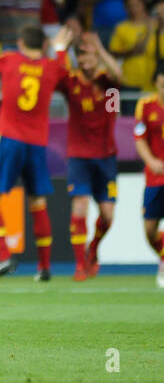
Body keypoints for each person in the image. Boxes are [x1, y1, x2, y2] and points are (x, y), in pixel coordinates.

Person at [0, 10, 73, 281]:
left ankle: (4, 255)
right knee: (38, 202)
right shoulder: (52, 68)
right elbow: (65, 71)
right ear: (43, 45)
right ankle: (44, 267)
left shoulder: (10, 60)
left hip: (9, 138)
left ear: (20, 43)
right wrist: (60, 49)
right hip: (37, 144)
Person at [58, 33, 122, 281]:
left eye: (91, 55)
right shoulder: (71, 82)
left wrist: (101, 49)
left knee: (108, 215)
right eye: (82, 56)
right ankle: (79, 266)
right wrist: (61, 49)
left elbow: (118, 75)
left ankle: (93, 248)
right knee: (80, 206)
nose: (86, 61)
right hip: (79, 155)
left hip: (106, 156)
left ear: (98, 57)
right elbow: (57, 73)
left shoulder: (108, 83)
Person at [133, 63, 164, 288]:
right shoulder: (145, 105)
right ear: (156, 84)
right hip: (155, 177)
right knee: (149, 230)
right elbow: (139, 137)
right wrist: (151, 161)